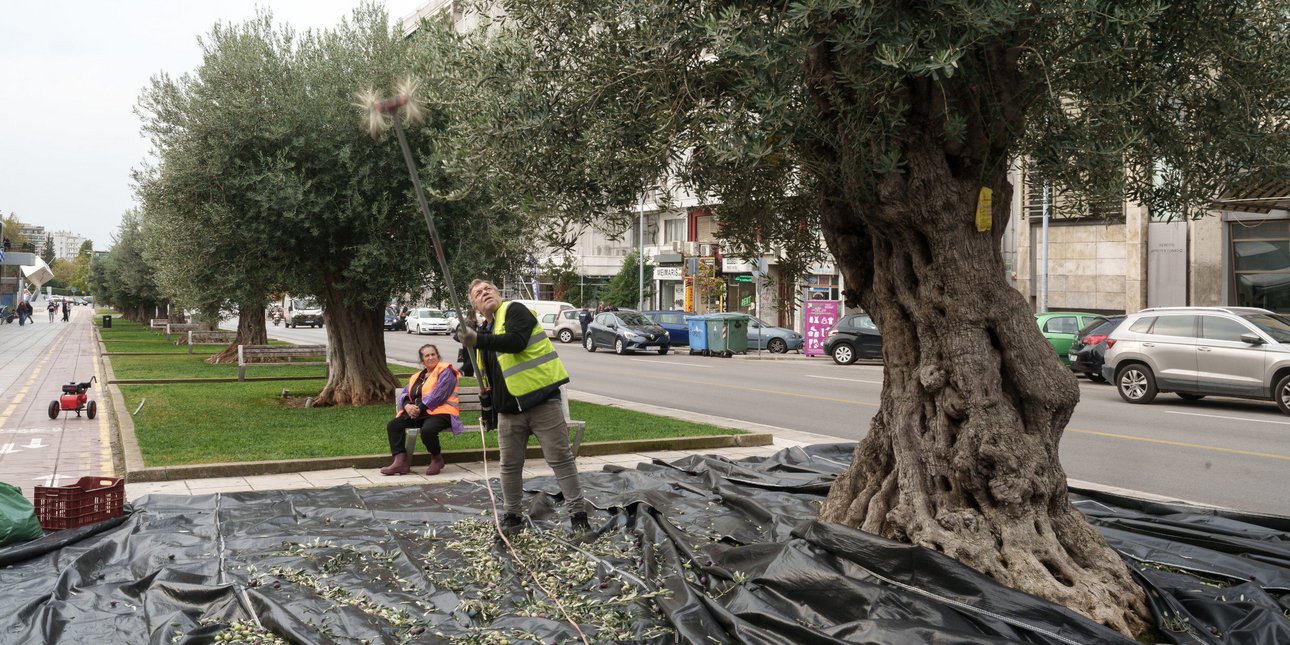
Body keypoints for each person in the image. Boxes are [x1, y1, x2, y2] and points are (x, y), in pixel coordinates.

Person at [461, 278, 590, 537]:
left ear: (498, 293)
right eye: (478, 293)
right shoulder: (484, 331)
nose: (485, 293)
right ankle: (512, 516)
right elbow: (483, 374)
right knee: (509, 465)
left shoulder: (514, 310)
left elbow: (516, 342)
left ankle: (578, 516)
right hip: (508, 411)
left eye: (488, 289)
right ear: (475, 306)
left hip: (541, 402)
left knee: (560, 460)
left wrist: (477, 339)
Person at [381, 344, 464, 476]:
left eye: (433, 354)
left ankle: (437, 459)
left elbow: (438, 395)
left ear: (438, 356)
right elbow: (405, 394)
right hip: (420, 413)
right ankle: (400, 462)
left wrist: (419, 408)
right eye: (427, 355)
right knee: (393, 426)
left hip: (442, 412)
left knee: (428, 430)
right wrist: (407, 406)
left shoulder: (446, 371)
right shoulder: (417, 376)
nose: (431, 357)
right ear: (422, 361)